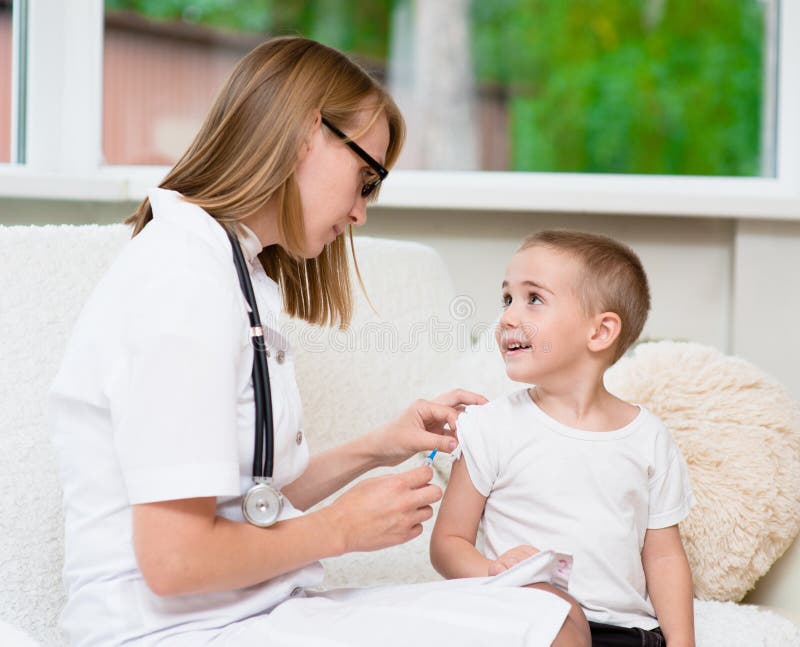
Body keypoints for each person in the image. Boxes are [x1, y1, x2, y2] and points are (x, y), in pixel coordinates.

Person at [49, 37, 583, 646]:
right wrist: (341, 529)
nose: (361, 212)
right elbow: (174, 561)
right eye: (365, 178)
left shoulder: (230, 272)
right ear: (308, 133)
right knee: (551, 630)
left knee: (550, 610)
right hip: (171, 631)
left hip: (251, 611)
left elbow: (245, 503)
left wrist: (378, 447)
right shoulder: (181, 283)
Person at [431, 230, 697, 647]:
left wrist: (683, 643)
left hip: (623, 631)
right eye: (507, 299)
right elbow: (448, 541)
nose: (507, 317)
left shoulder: (647, 439)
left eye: (533, 299)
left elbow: (663, 555)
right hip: (526, 619)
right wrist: (491, 569)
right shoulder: (490, 426)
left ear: (600, 332)